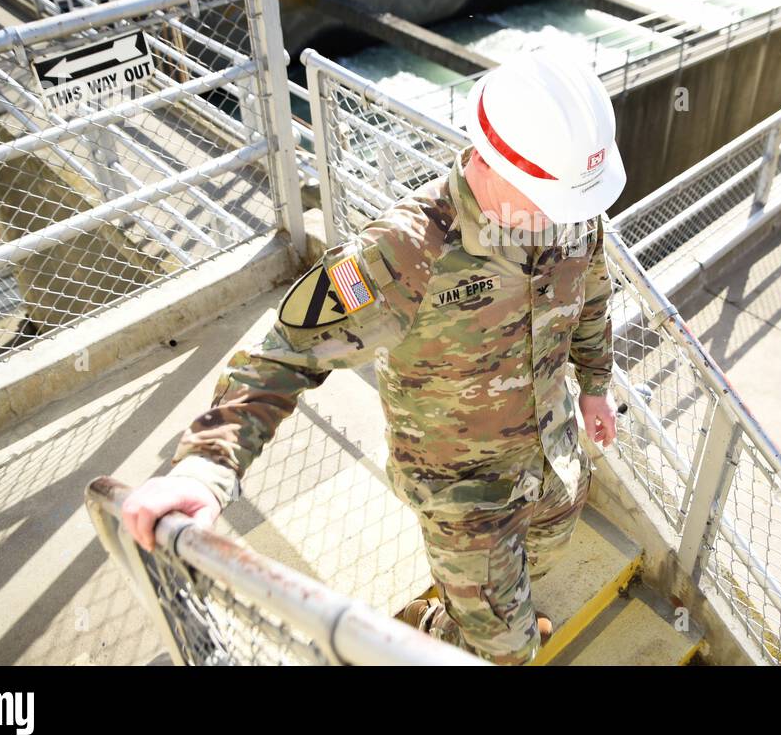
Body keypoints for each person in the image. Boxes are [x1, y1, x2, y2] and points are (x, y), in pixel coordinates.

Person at [120, 46, 627, 665]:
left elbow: (593, 293)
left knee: (546, 549)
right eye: (549, 202)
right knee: (508, 651)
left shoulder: (572, 214)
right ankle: (460, 636)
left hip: (552, 458)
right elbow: (282, 357)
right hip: (462, 495)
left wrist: (595, 384)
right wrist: (205, 467)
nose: (561, 221)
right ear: (493, 160)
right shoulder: (403, 253)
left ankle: (458, 618)